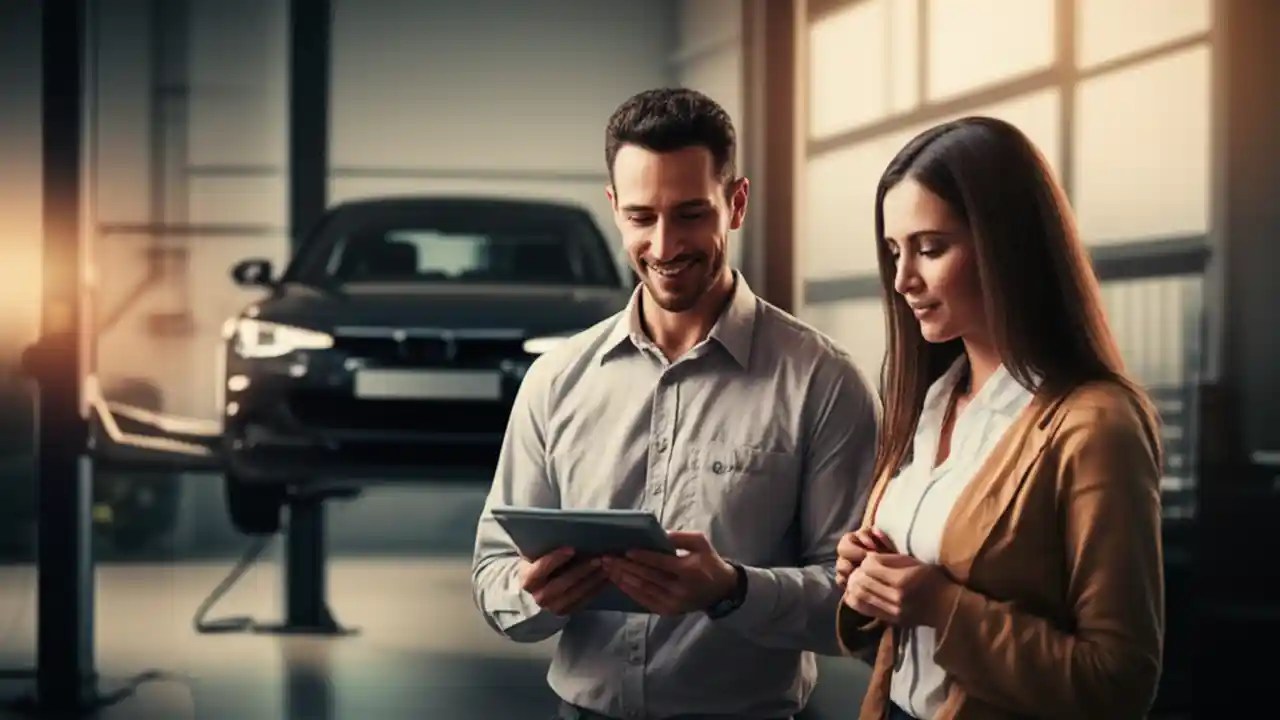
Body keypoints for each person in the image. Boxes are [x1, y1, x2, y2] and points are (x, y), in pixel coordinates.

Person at [471, 87, 880, 720]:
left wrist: (733, 590)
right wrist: (534, 597)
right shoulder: (554, 379)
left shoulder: (823, 383)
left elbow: (854, 609)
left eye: (691, 214)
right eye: (641, 217)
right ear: (613, 209)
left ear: (735, 203)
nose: (664, 247)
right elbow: (493, 570)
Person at [832, 115, 1165, 720]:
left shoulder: (1095, 425)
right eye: (893, 252)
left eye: (931, 248)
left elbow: (1119, 683)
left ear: (1007, 246)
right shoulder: (930, 401)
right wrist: (866, 580)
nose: (904, 280)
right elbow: (898, 645)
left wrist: (941, 605)